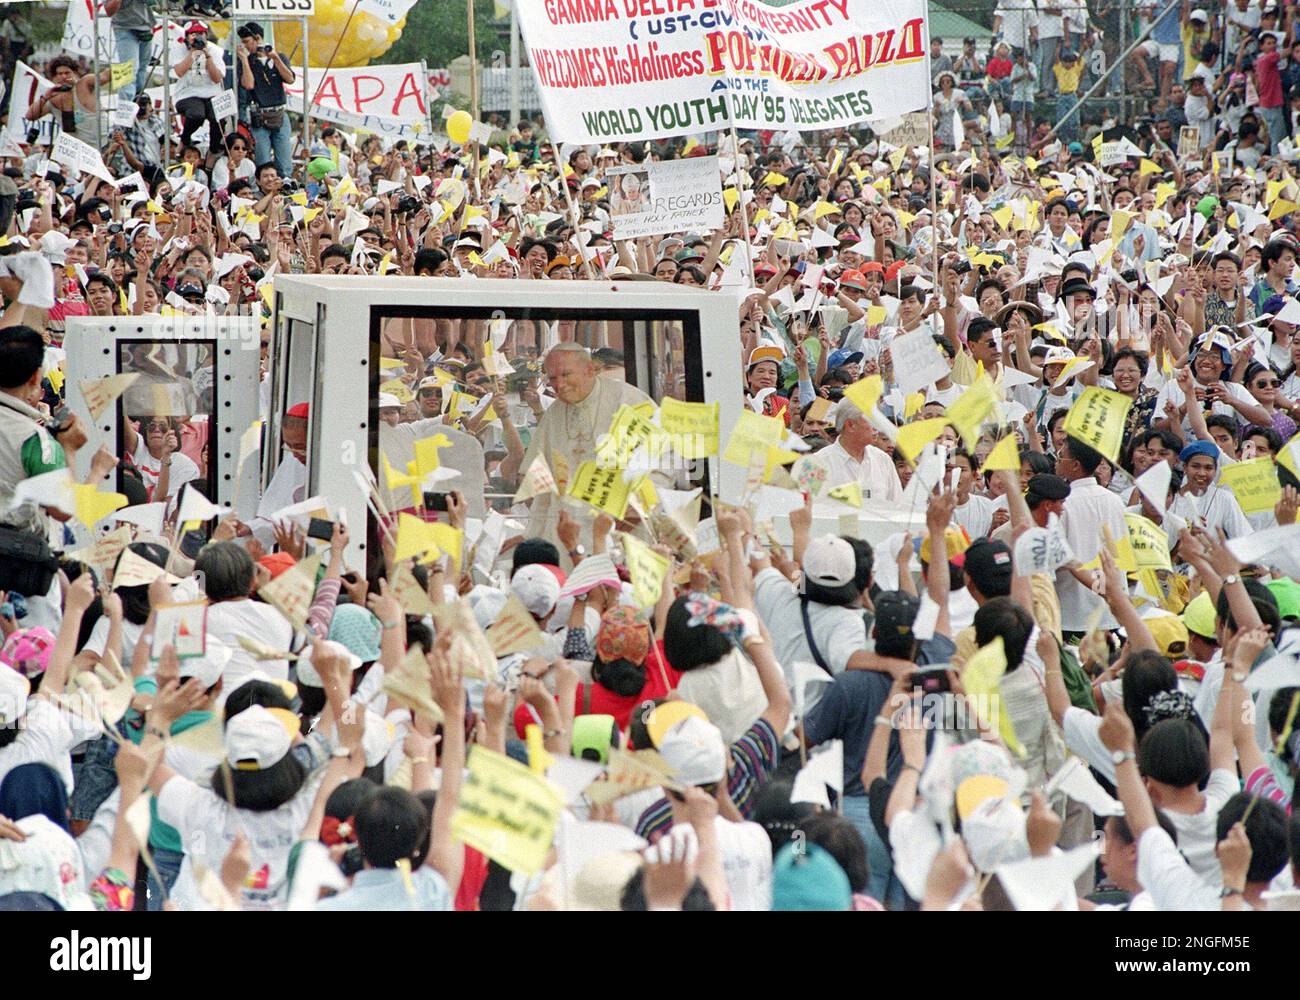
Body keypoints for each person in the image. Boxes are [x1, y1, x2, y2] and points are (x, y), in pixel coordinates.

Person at [235, 22, 294, 176]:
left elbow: (290, 79)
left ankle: (285, 185)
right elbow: (248, 84)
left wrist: (275, 58)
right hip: (259, 115)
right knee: (263, 160)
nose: (245, 46)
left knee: (285, 161)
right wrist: (244, 60)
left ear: (258, 38)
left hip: (280, 113)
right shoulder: (248, 62)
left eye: (247, 42)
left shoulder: (279, 57)